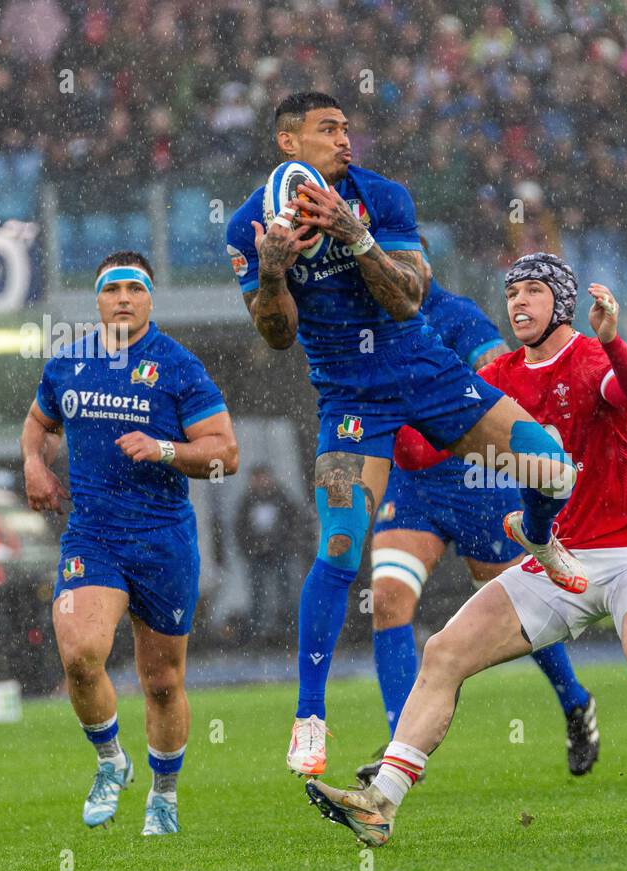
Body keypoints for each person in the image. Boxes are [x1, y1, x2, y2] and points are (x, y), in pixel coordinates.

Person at [304, 255, 627, 847]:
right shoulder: (500, 377)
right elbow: (420, 455)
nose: (518, 302)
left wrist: (613, 342)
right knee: (444, 652)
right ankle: (380, 803)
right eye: (511, 293)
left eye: (533, 290)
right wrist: (387, 413)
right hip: (554, 556)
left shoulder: (590, 357)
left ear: (561, 302)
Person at [226, 92, 587, 780]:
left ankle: (539, 534)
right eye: (328, 129)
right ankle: (309, 716)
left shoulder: (381, 196)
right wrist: (273, 270)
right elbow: (276, 335)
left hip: (425, 372)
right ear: (288, 142)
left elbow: (408, 297)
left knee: (549, 467)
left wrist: (353, 235)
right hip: (351, 399)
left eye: (346, 127)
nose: (344, 139)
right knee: (339, 545)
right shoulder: (249, 226)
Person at [21, 250, 239, 835]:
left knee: (162, 683)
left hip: (163, 542)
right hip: (93, 536)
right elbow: (40, 422)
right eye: (112, 289)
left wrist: (164, 449)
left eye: (134, 289)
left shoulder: (178, 366)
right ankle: (110, 760)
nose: (123, 298)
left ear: (150, 298)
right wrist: (34, 464)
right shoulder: (69, 363)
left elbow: (226, 453)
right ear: (97, 299)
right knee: (79, 655)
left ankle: (163, 795)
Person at [364, 261, 600, 781]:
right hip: (414, 483)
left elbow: (500, 376)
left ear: (424, 265)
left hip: (477, 479)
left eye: (404, 260)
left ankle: (574, 701)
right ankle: (399, 741)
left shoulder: (456, 315)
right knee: (386, 600)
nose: (393, 271)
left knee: (518, 607)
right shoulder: (371, 318)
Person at [234, 465, 305, 644]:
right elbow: (240, 529)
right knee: (258, 594)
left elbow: (295, 522)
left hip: (282, 553)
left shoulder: (282, 497)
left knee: (287, 592)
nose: (260, 482)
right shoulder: (246, 502)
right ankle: (259, 632)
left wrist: (282, 544)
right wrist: (254, 547)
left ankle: (289, 630)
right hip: (257, 554)